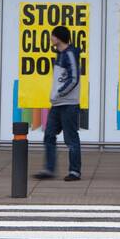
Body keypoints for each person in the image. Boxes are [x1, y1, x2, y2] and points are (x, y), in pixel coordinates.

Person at [35, 24, 82, 181]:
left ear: (58, 37)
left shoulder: (69, 54)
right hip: (58, 104)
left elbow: (74, 78)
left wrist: (60, 93)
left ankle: (75, 171)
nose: (50, 38)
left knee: (71, 138)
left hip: (68, 103)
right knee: (49, 135)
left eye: (52, 36)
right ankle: (49, 169)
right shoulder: (60, 54)